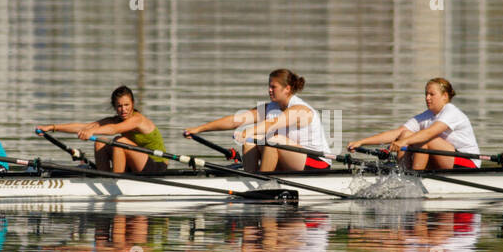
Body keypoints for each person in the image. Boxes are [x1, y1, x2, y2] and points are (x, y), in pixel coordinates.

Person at [184, 69, 332, 173]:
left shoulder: (300, 109)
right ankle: (250, 178)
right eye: (269, 86)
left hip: (317, 162)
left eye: (273, 87)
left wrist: (248, 131)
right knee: (251, 140)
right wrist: (199, 129)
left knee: (274, 139)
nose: (269, 90)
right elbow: (236, 121)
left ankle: (263, 183)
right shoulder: (271, 107)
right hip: (294, 159)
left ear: (287, 89)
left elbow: (273, 124)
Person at [347, 78, 480, 170]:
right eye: (426, 94)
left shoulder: (451, 111)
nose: (427, 98)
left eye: (432, 94)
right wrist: (362, 141)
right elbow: (397, 133)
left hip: (467, 161)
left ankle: (413, 177)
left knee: (424, 139)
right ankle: (402, 173)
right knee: (405, 134)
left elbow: (429, 133)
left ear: (445, 96)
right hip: (446, 159)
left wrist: (403, 143)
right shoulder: (427, 115)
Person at [41, 85, 167, 174]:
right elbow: (85, 127)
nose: (123, 109)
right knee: (100, 141)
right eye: (119, 106)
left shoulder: (137, 120)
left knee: (120, 141)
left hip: (156, 165)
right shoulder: (116, 119)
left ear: (133, 104)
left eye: (126, 105)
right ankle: (103, 176)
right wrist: (53, 127)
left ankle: (116, 180)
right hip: (137, 163)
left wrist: (92, 132)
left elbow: (113, 129)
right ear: (114, 107)